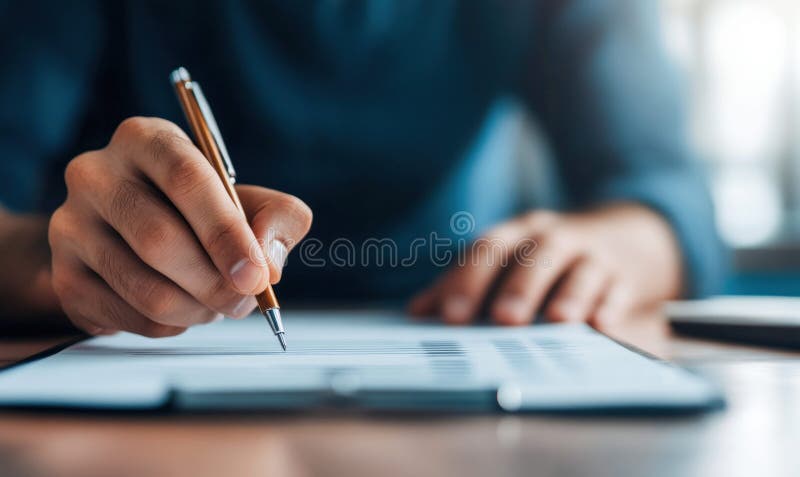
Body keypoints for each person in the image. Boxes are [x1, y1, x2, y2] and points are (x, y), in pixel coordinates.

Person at [0, 0, 725, 337]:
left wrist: (615, 245)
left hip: (464, 323)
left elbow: (670, 195)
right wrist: (55, 261)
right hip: (131, 342)